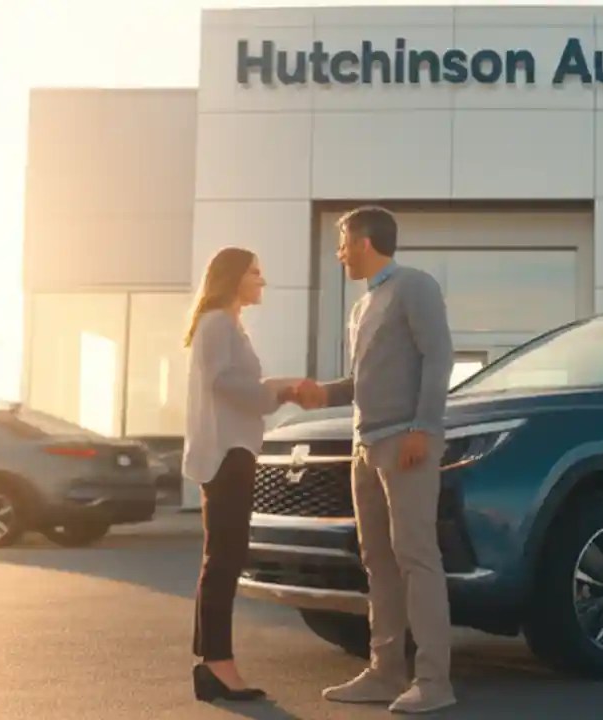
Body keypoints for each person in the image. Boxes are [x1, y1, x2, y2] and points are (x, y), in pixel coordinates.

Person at [300, 207, 456, 714]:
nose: (340, 251)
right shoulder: (361, 306)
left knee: (416, 557)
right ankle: (386, 673)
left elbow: (439, 357)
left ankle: (434, 683)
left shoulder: (415, 286)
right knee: (378, 563)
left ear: (365, 240)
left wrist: (424, 428)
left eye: (343, 241)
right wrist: (322, 394)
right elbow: (365, 382)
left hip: (406, 444)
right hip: (364, 447)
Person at [182, 247, 301, 703]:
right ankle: (218, 663)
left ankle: (212, 662)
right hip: (227, 454)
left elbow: (239, 385)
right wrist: (277, 396)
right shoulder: (216, 324)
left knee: (223, 558)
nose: (262, 281)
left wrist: (284, 389)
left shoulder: (227, 325)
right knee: (225, 560)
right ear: (233, 277)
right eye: (255, 272)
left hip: (235, 451)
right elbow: (226, 386)